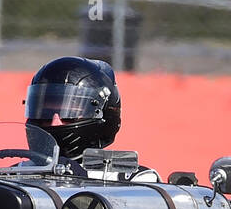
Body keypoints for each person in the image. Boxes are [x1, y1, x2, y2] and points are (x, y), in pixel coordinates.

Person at [23, 56, 158, 181]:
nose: (55, 123)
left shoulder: (133, 181)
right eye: (46, 113)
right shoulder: (16, 175)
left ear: (103, 115)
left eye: (70, 114)